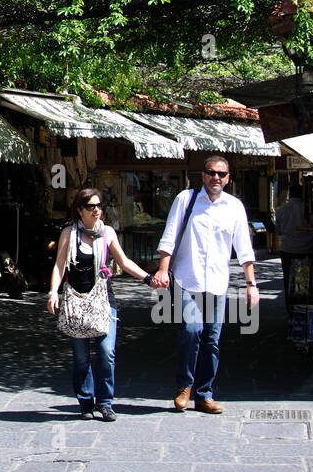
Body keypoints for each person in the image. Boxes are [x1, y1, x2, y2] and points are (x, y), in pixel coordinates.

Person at [153, 156, 258, 414]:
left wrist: (251, 284)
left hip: (218, 283)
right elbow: (170, 236)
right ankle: (184, 387)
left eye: (221, 174)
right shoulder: (186, 199)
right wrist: (163, 270)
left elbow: (244, 249)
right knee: (191, 331)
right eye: (211, 173)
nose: (216, 178)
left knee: (211, 339)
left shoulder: (234, 207)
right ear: (203, 175)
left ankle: (204, 394)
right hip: (188, 280)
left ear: (228, 178)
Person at [47, 187, 156, 421]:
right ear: (80, 210)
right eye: (90, 206)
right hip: (76, 300)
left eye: (98, 206)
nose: (96, 210)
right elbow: (59, 265)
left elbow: (124, 262)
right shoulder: (69, 233)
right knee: (81, 357)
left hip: (104, 299)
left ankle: (105, 402)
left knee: (107, 352)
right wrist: (53, 292)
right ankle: (86, 403)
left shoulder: (107, 232)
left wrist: (148, 279)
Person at [274, 183, 313, 316]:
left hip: (287, 249)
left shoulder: (281, 210)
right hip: (304, 249)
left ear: (290, 194)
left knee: (288, 280)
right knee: (302, 281)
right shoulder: (308, 210)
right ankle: (301, 309)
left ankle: (289, 309)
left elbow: (278, 231)